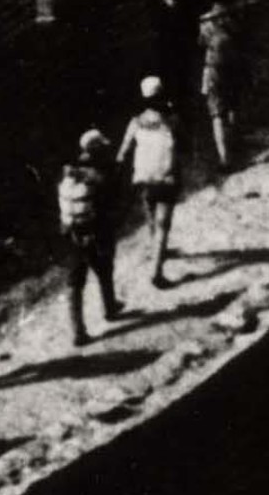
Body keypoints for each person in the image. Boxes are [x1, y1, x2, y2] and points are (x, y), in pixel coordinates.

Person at [56, 136, 121, 344]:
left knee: (75, 282)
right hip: (94, 230)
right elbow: (106, 201)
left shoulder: (70, 171)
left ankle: (78, 331)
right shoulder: (98, 173)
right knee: (104, 267)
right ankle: (110, 308)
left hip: (71, 232)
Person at [118, 77, 182, 286]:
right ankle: (157, 272)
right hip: (166, 176)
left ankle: (155, 248)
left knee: (151, 216)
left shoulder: (136, 121)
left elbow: (123, 152)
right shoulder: (171, 118)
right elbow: (182, 142)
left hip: (143, 177)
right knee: (164, 224)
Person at [197, 0, 246, 170]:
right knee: (233, 106)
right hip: (235, 65)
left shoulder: (205, 20)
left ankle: (224, 157)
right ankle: (235, 147)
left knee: (216, 112)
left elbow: (201, 42)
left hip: (213, 67)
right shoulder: (237, 16)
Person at [150, 0, 200, 116]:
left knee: (183, 86)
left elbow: (191, 29)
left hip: (182, 54)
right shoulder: (158, 11)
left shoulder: (183, 7)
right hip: (165, 56)